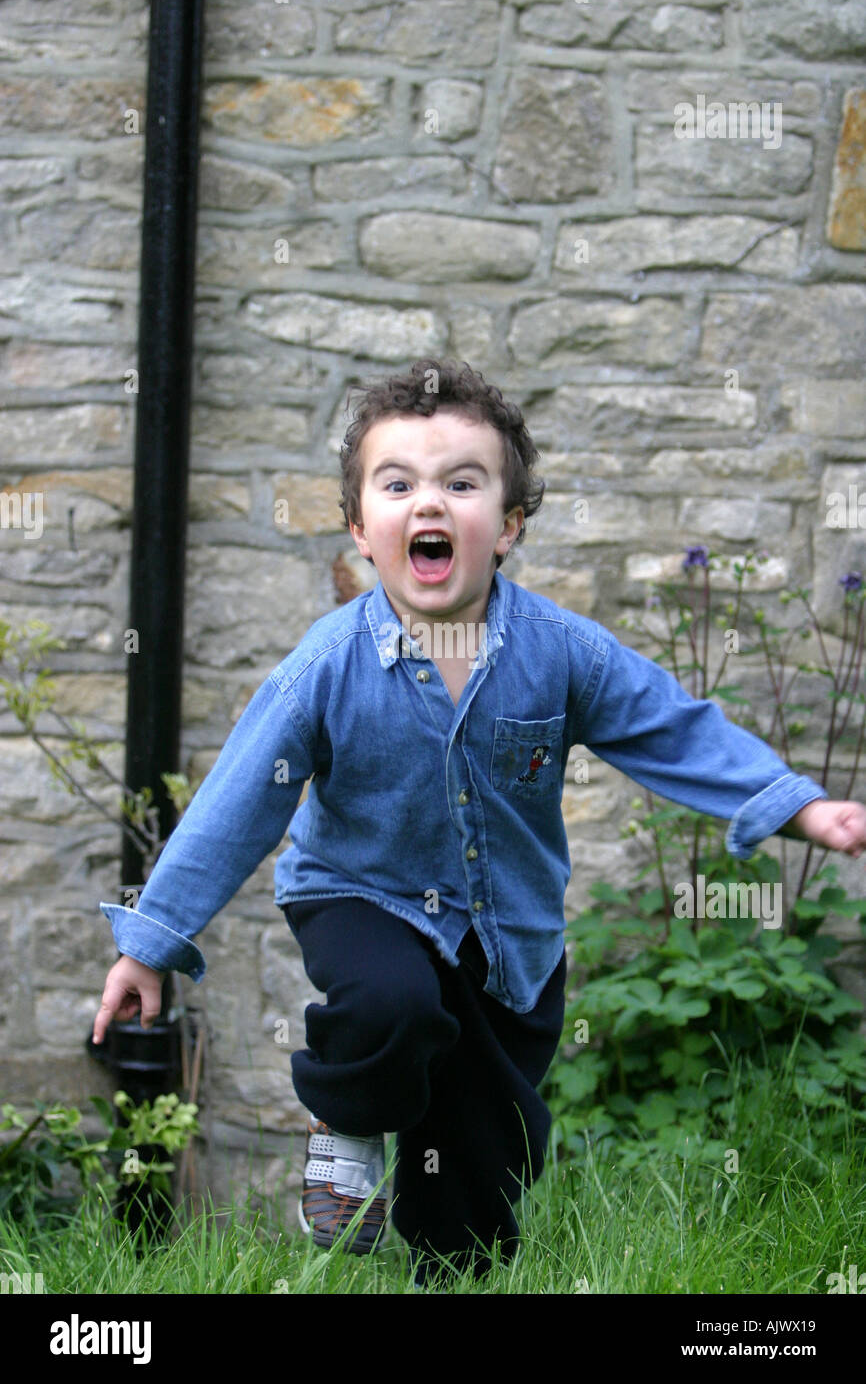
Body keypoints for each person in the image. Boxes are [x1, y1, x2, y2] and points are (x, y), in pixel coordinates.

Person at [92, 356, 866, 1286]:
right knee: (391, 1003)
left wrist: (799, 805)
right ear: (358, 529)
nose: (430, 502)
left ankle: (453, 1276)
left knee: (479, 1173)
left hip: (509, 936)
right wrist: (152, 939)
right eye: (398, 484)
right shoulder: (326, 666)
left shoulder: (562, 654)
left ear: (507, 526)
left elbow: (674, 728)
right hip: (359, 896)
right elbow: (237, 803)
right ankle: (347, 1127)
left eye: (462, 483)